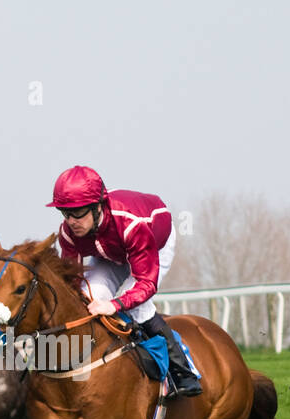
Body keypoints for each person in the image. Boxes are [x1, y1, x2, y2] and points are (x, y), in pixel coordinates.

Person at [47, 165, 201, 398]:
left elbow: (146, 284)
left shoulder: (130, 224)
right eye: (65, 213)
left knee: (137, 306)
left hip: (154, 244)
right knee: (88, 298)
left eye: (77, 212)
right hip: (110, 254)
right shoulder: (68, 232)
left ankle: (183, 371)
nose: (71, 221)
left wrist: (115, 305)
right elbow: (71, 281)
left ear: (97, 206)